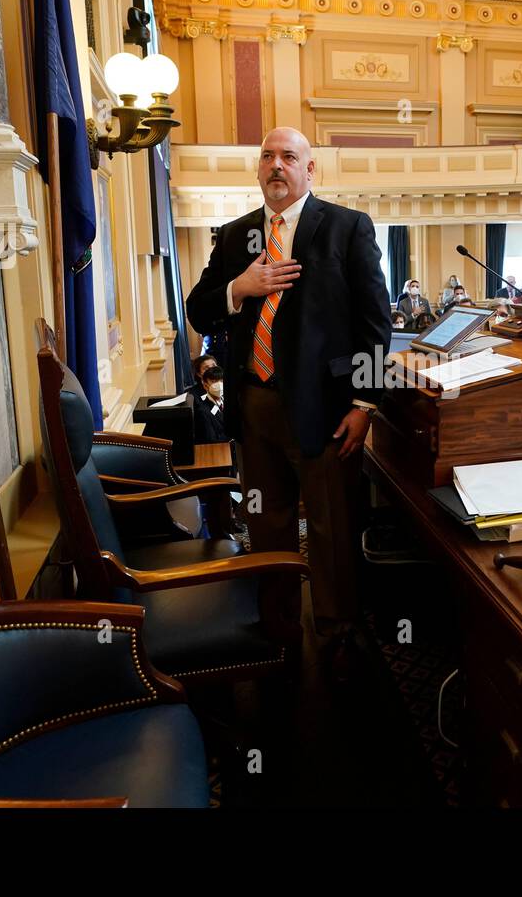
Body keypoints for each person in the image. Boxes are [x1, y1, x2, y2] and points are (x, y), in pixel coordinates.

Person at [185, 126, 390, 679]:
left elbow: (374, 322)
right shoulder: (233, 237)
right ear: (258, 169)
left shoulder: (346, 228)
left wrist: (363, 403)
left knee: (329, 526)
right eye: (268, 156)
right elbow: (199, 310)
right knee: (265, 523)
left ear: (309, 170)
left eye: (289, 157)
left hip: (324, 410)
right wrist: (239, 289)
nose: (277, 165)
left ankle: (337, 630)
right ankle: (276, 629)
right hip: (252, 404)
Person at [193, 364, 229, 443]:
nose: (219, 384)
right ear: (205, 385)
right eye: (214, 381)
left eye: (221, 381)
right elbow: (211, 439)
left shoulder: (228, 402)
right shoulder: (202, 410)